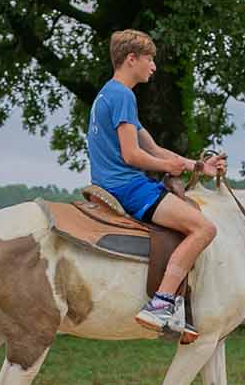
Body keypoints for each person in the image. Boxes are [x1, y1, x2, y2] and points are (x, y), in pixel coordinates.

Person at [87, 29, 227, 342]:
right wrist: (168, 167)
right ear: (131, 59)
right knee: (205, 229)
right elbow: (132, 154)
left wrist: (198, 166)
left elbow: (153, 149)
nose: (153, 66)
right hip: (129, 187)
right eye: (149, 59)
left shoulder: (108, 94)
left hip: (112, 184)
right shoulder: (123, 95)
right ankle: (162, 303)